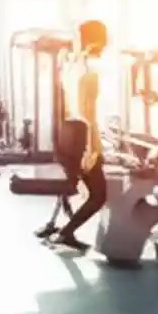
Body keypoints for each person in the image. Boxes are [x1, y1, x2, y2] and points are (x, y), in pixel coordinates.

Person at [36, 20, 109, 252]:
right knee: (99, 196)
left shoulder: (72, 66)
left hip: (70, 136)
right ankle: (65, 233)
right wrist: (91, 148)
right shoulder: (88, 70)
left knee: (76, 185)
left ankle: (60, 228)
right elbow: (87, 113)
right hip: (82, 137)